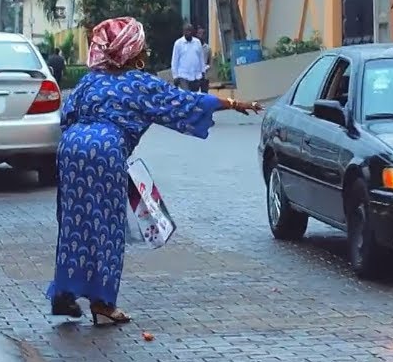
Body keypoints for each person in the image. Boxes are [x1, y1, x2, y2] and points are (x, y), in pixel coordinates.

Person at [49, 16, 261, 324]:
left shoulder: (89, 81)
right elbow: (185, 101)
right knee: (106, 228)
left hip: (70, 151)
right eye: (142, 46)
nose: (146, 49)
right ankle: (103, 304)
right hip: (106, 152)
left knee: (73, 224)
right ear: (133, 52)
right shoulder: (140, 84)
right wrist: (232, 103)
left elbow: (66, 117)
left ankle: (64, 294)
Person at [170, 24, 204, 91]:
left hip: (196, 76)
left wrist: (203, 71)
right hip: (183, 76)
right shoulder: (178, 43)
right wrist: (175, 76)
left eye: (190, 31)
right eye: (186, 31)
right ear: (183, 32)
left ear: (193, 32)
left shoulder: (197, 42)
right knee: (186, 96)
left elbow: (201, 58)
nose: (188, 33)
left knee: (194, 97)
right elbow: (174, 60)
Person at [195, 27, 211, 93]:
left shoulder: (207, 48)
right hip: (194, 74)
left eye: (203, 34)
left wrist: (206, 67)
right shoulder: (194, 46)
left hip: (204, 75)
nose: (201, 35)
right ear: (196, 35)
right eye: (199, 33)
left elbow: (210, 62)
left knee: (204, 93)